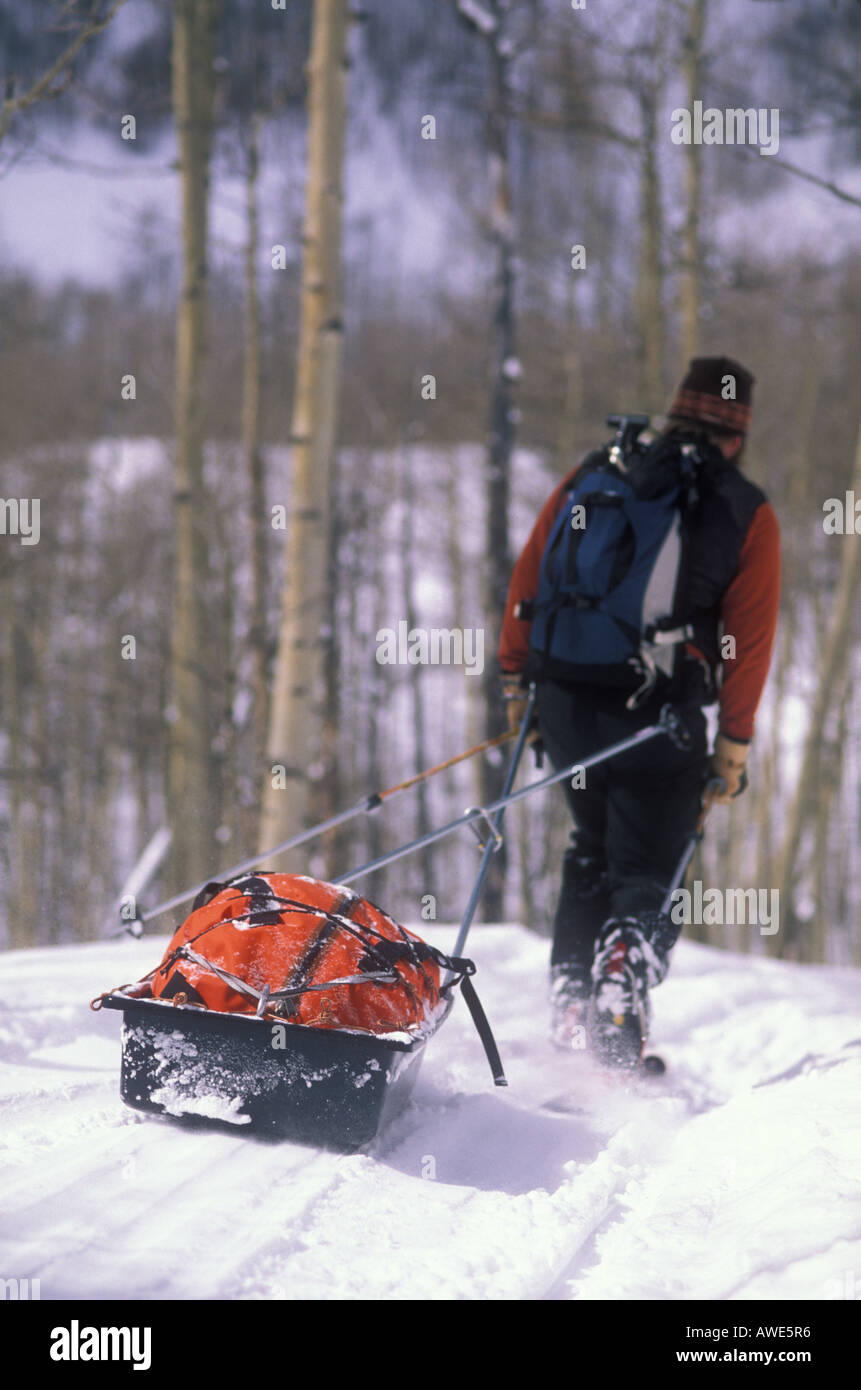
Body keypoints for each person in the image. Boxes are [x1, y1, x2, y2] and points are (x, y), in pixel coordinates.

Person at [497, 357, 781, 1065]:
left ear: (674, 410)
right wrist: (733, 745)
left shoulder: (598, 468)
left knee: (591, 846)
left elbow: (529, 573)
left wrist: (514, 682)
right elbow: (747, 643)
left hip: (561, 697)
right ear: (737, 434)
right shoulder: (746, 510)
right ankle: (619, 994)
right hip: (656, 716)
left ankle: (570, 1006)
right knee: (652, 864)